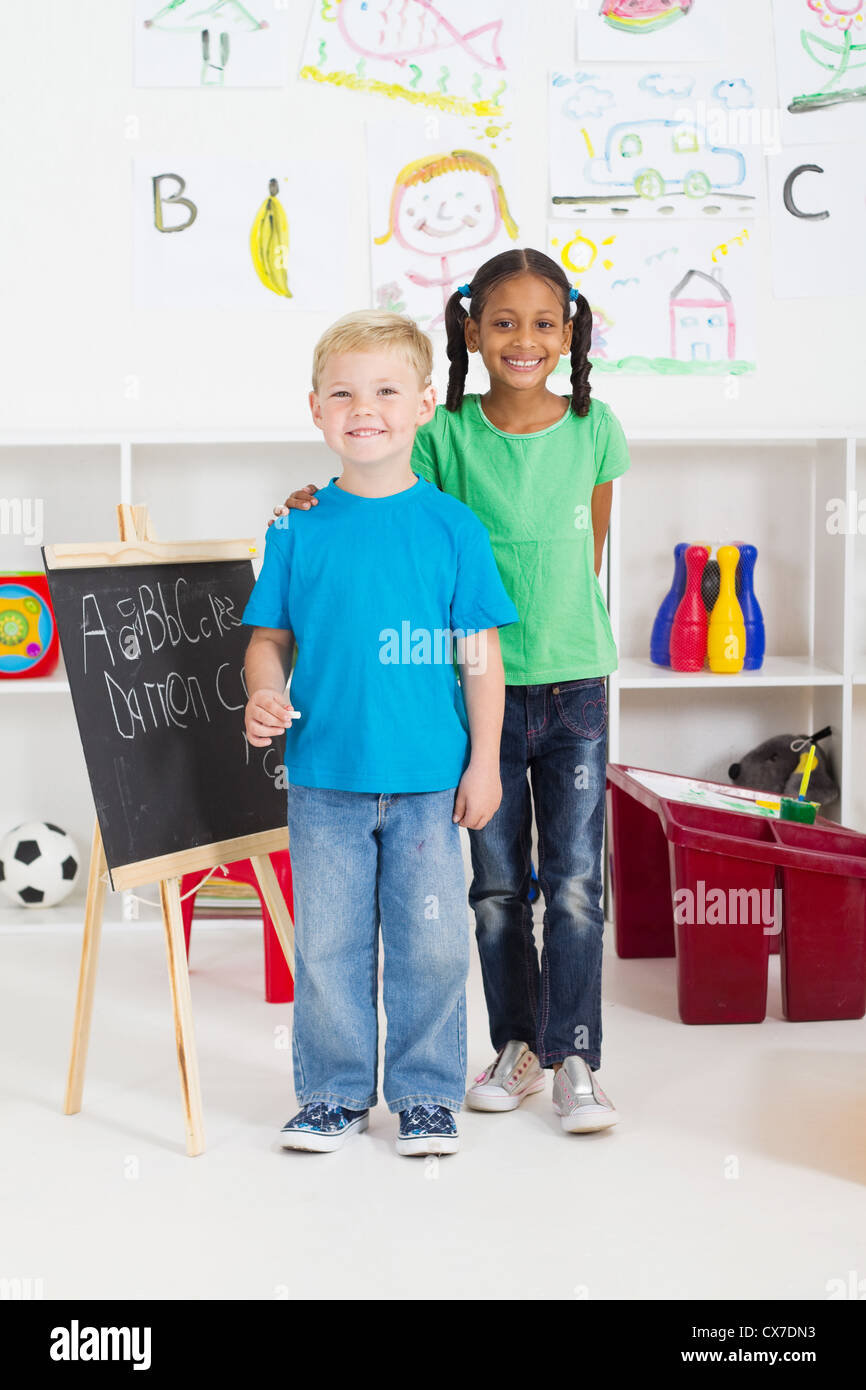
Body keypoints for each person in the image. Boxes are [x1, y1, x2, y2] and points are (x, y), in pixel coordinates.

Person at [275, 248, 630, 1134]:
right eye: (503, 322)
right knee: (497, 884)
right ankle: (515, 1046)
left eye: (544, 323)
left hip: (573, 678)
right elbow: (387, 502)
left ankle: (575, 1054)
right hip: (477, 695)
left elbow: (588, 550)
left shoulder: (596, 428)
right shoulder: (442, 432)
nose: (524, 340)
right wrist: (309, 505)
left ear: (570, 332)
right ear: (471, 330)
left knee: (579, 884)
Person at [242, 309, 518, 1156]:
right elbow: (268, 639)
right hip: (323, 778)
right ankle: (333, 1092)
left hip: (432, 783)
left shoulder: (453, 528)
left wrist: (486, 763)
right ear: (317, 410)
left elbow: (481, 660)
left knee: (431, 946)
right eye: (344, 392)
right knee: (325, 945)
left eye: (387, 390)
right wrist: (262, 693)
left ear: (426, 403)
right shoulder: (295, 525)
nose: (366, 407)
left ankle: (428, 1095)